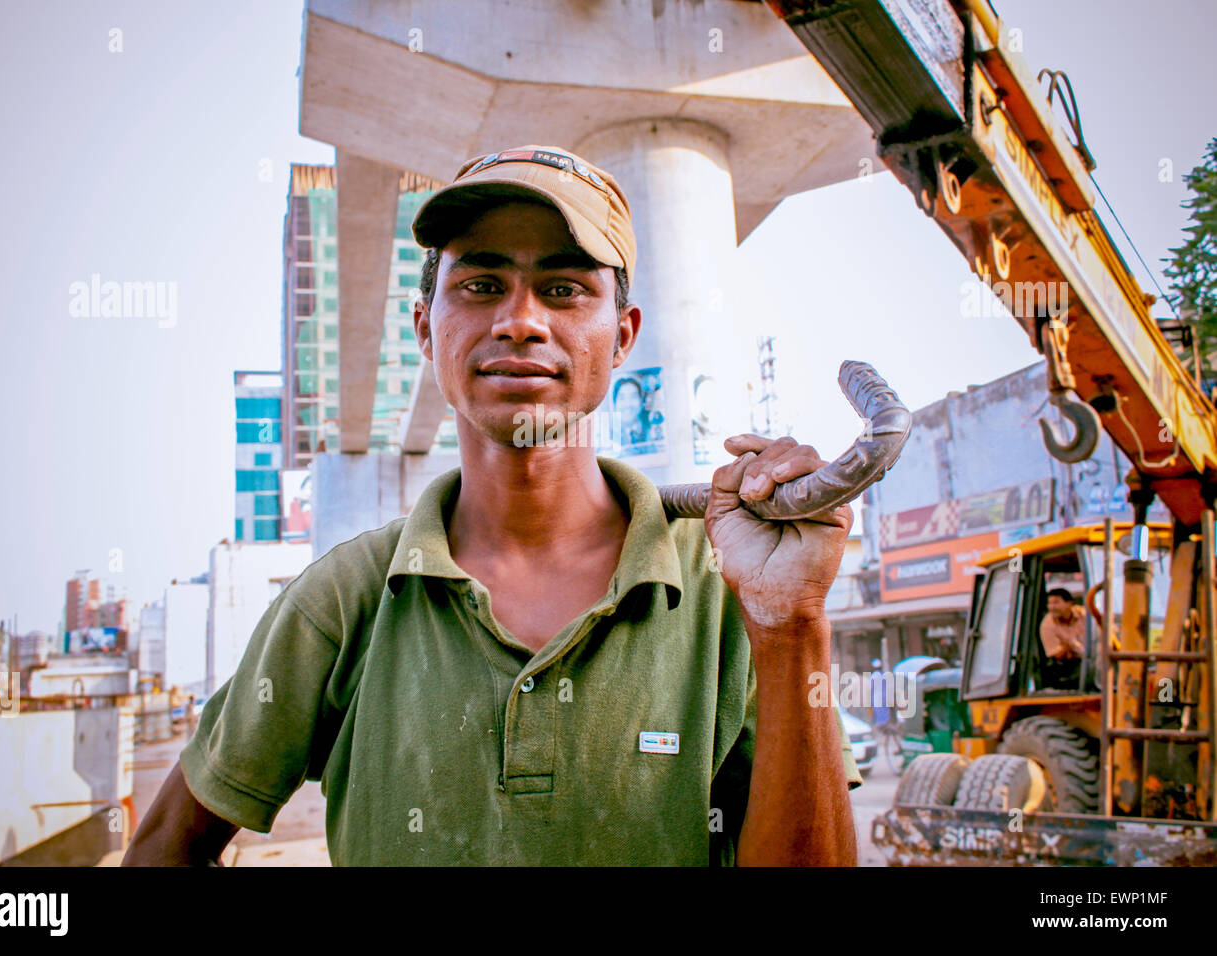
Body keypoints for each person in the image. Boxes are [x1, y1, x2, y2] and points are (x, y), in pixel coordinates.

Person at [124, 144, 861, 867]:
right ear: (424, 328)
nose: (521, 321)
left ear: (623, 337)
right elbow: (165, 848)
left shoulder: (728, 588)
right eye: (480, 285)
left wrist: (792, 624)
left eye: (565, 288)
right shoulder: (345, 600)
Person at [1040, 588, 1086, 687]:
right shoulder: (1047, 625)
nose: (1052, 607)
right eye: (1050, 603)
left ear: (1069, 603)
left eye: (1056, 603)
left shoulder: (1083, 614)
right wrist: (1068, 646)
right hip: (1067, 665)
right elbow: (1057, 655)